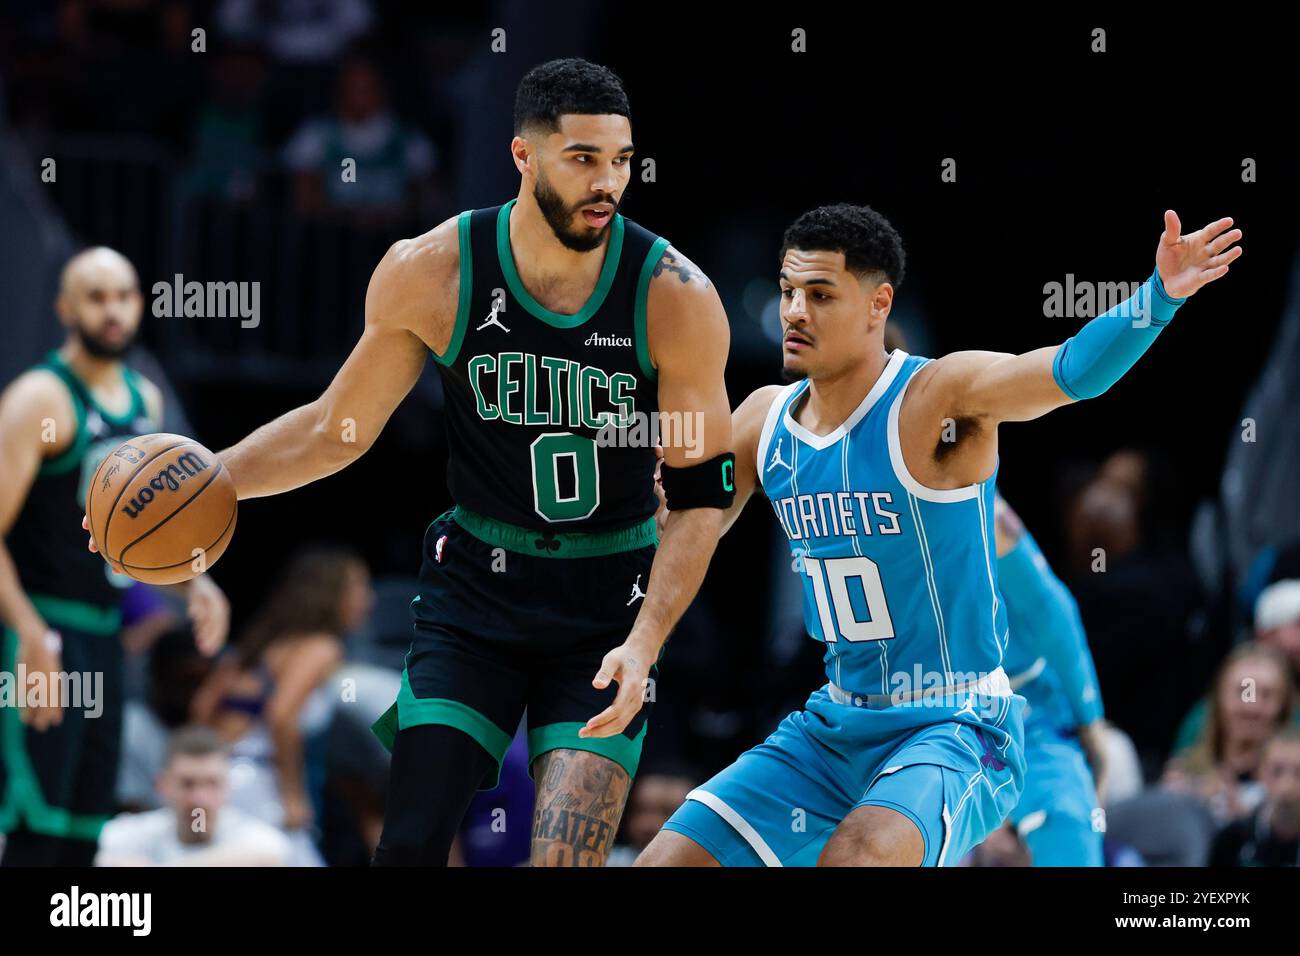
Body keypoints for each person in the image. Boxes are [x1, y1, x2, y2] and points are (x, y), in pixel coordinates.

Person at [98, 59, 734, 866]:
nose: (607, 182)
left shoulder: (673, 294)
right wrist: (199, 484)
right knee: (407, 845)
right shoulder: (434, 270)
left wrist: (644, 644)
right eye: (583, 159)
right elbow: (338, 429)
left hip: (609, 602)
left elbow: (699, 495)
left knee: (562, 859)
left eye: (621, 160)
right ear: (524, 156)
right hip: (477, 591)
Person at [639, 201, 1240, 866]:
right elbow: (699, 530)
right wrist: (662, 517)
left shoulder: (938, 399)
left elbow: (1070, 371)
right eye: (787, 292)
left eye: (819, 294)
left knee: (860, 856)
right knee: (667, 860)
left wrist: (1159, 296)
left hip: (954, 722)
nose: (794, 312)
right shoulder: (764, 418)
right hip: (836, 721)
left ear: (878, 304)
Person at [1, 247, 229, 866]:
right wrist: (27, 633)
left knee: (84, 831)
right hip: (39, 633)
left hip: (102, 639)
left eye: (124, 296)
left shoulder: (145, 403)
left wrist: (196, 583)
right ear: (65, 308)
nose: (113, 311)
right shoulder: (39, 400)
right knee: (36, 829)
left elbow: (146, 546)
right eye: (96, 297)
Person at [190, 547, 370, 858]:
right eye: (359, 587)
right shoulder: (322, 647)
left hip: (217, 782)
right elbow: (282, 715)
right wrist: (292, 795)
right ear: (332, 594)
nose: (369, 599)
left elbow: (201, 708)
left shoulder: (258, 644)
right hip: (262, 790)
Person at [994, 495, 1107, 866]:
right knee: (1066, 816)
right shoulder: (960, 482)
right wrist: (1090, 718)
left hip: (899, 714)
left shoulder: (821, 477)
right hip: (1012, 718)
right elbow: (1048, 608)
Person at [96, 725, 291, 866]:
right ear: (163, 785)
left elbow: (270, 854)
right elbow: (94, 851)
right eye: (187, 784)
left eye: (212, 783)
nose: (199, 799)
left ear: (228, 787)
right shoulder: (141, 831)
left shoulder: (253, 836)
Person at [1162, 642, 1295, 824]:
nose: (1252, 707)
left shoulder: (1293, 784)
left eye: (1266, 695)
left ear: (1284, 706)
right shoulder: (1185, 775)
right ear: (1219, 699)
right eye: (1242, 692)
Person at [1209, 725, 1300, 866]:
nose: (1287, 785)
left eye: (1298, 773)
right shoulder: (1234, 837)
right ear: (1260, 773)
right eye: (1277, 771)